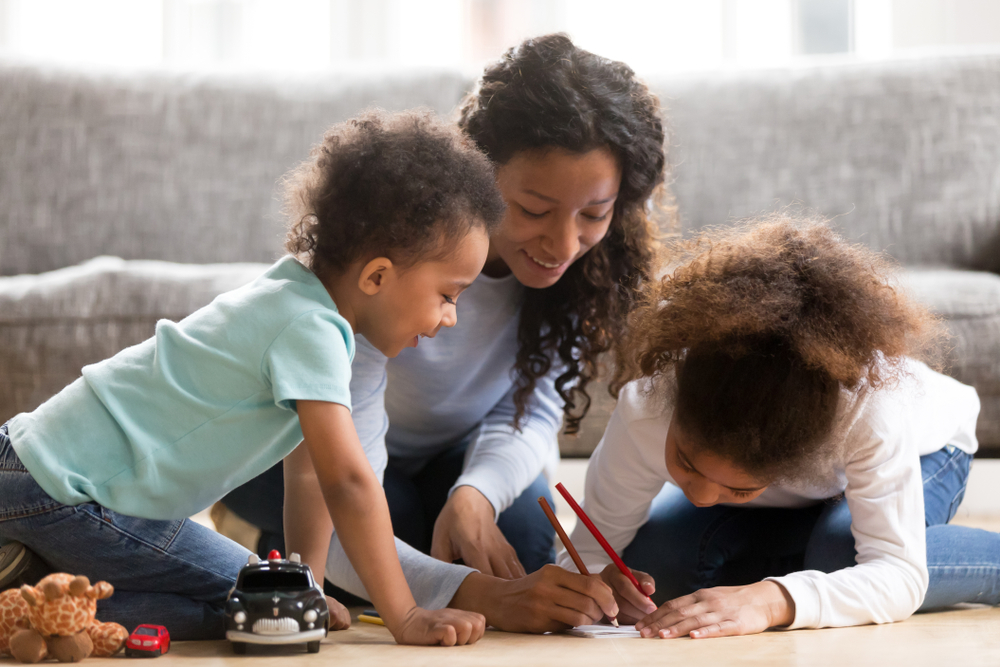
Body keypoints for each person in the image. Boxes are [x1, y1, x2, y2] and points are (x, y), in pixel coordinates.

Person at [0, 110, 506, 646]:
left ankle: (31, 587)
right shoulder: (311, 329)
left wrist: (308, 589)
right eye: (448, 295)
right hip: (60, 488)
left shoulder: (297, 303)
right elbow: (348, 482)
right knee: (264, 608)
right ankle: (29, 603)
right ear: (377, 276)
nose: (451, 318)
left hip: (36, 472)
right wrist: (404, 614)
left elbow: (310, 478)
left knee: (281, 603)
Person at [222, 32, 669, 632]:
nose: (565, 245)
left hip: (441, 451)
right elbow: (344, 488)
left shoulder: (584, 274)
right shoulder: (390, 259)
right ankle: (275, 549)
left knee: (520, 543)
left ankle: (333, 549)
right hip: (296, 447)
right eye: (534, 210)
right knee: (396, 523)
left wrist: (476, 492)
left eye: (594, 214)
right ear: (478, 174)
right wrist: (480, 594)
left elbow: (531, 410)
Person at [564, 215, 1000, 639]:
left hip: (929, 450)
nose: (700, 497)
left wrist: (772, 600)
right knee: (656, 567)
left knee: (839, 558)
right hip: (809, 491)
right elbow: (587, 552)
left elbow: (897, 574)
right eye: (686, 463)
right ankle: (805, 553)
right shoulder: (647, 408)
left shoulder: (869, 416)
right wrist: (590, 585)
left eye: (739, 488)